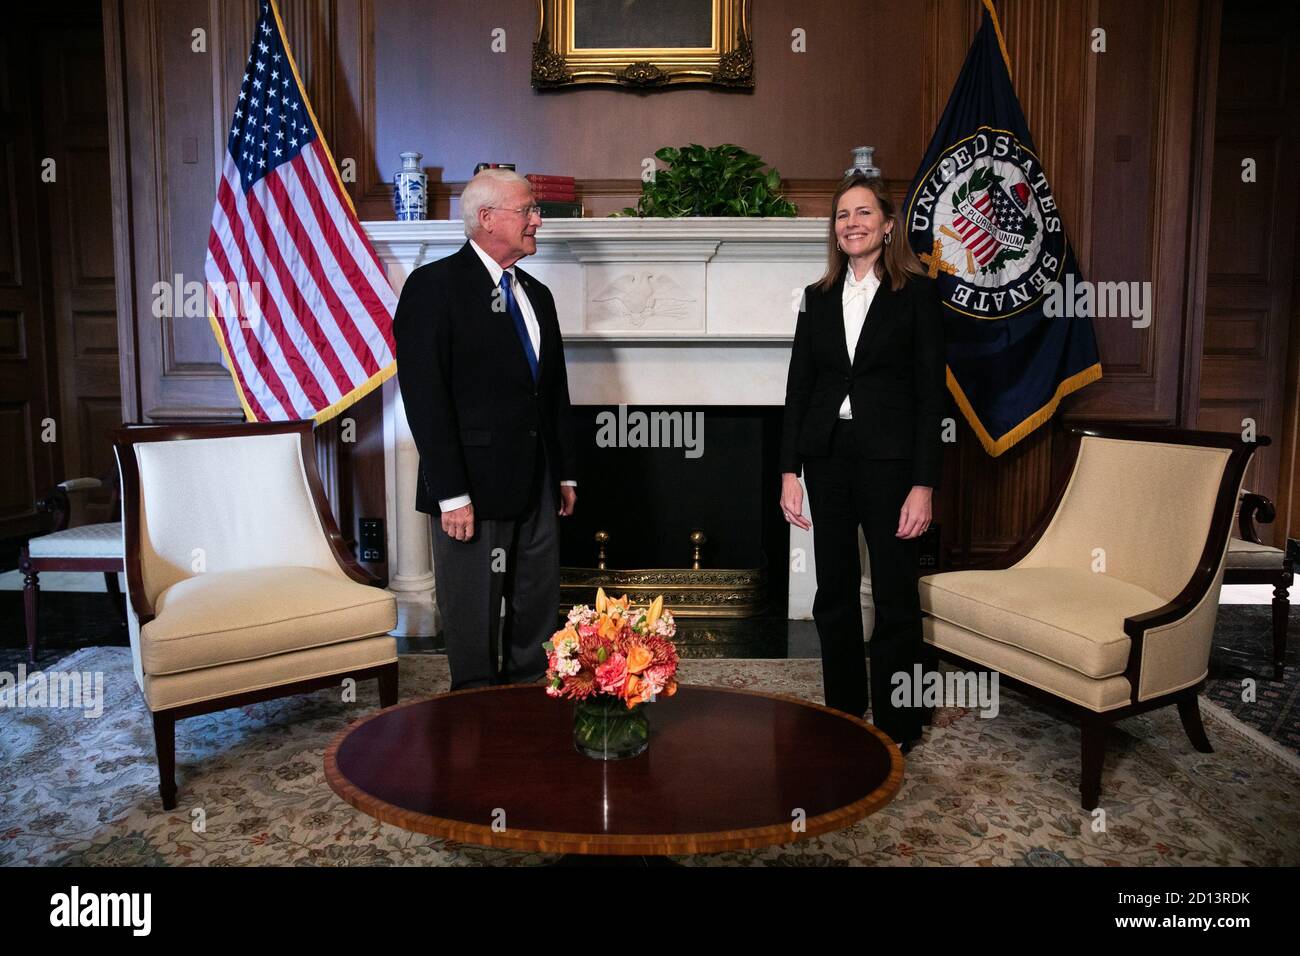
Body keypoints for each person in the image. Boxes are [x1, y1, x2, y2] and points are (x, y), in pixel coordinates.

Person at [779, 171, 946, 751]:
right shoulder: (817, 298)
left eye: (863, 213)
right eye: (842, 215)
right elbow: (798, 388)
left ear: (888, 224)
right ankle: (845, 711)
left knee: (897, 593)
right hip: (828, 458)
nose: (851, 223)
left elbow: (932, 396)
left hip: (892, 462)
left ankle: (900, 722)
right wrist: (788, 472)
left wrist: (923, 484)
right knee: (835, 592)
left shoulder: (918, 294)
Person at [394, 168, 578, 690]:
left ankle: (524, 709)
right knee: (473, 622)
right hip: (469, 489)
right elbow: (425, 400)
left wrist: (565, 473)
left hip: (538, 485)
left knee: (537, 611)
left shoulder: (537, 294)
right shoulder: (433, 287)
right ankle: (475, 724)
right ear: (487, 218)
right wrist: (451, 494)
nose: (537, 220)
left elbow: (554, 393)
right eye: (528, 211)